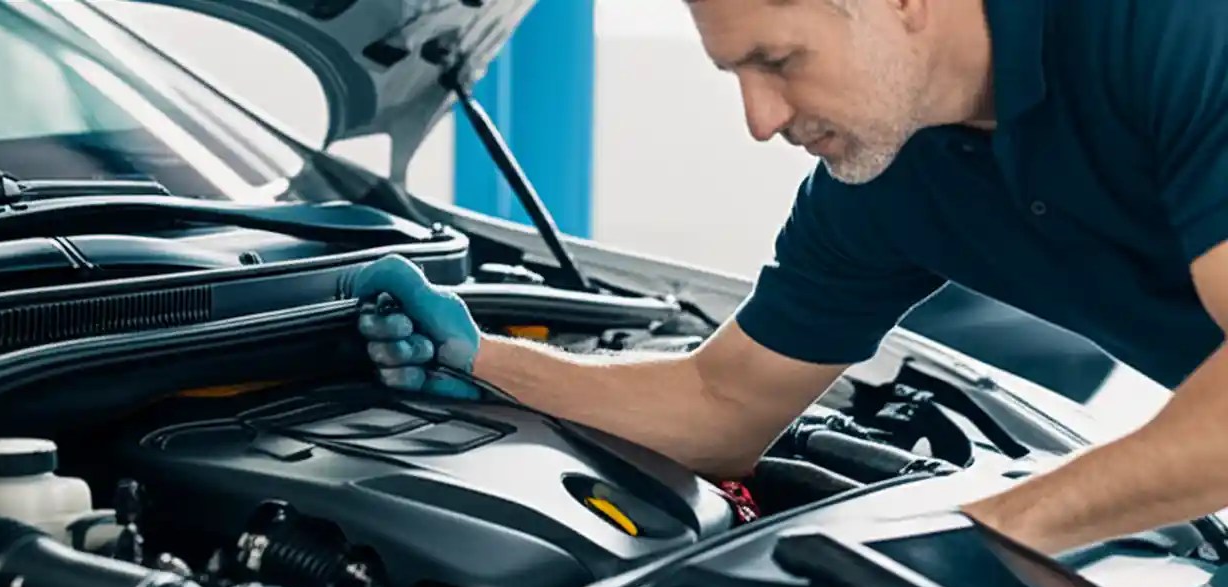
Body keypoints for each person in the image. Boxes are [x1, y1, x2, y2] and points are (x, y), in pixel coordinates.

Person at [352, 0, 1228, 556]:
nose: (760, 120)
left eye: (778, 61)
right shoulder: (883, 183)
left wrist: (988, 539)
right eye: (736, 75)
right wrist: (486, 359)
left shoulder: (1165, 28)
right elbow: (721, 406)